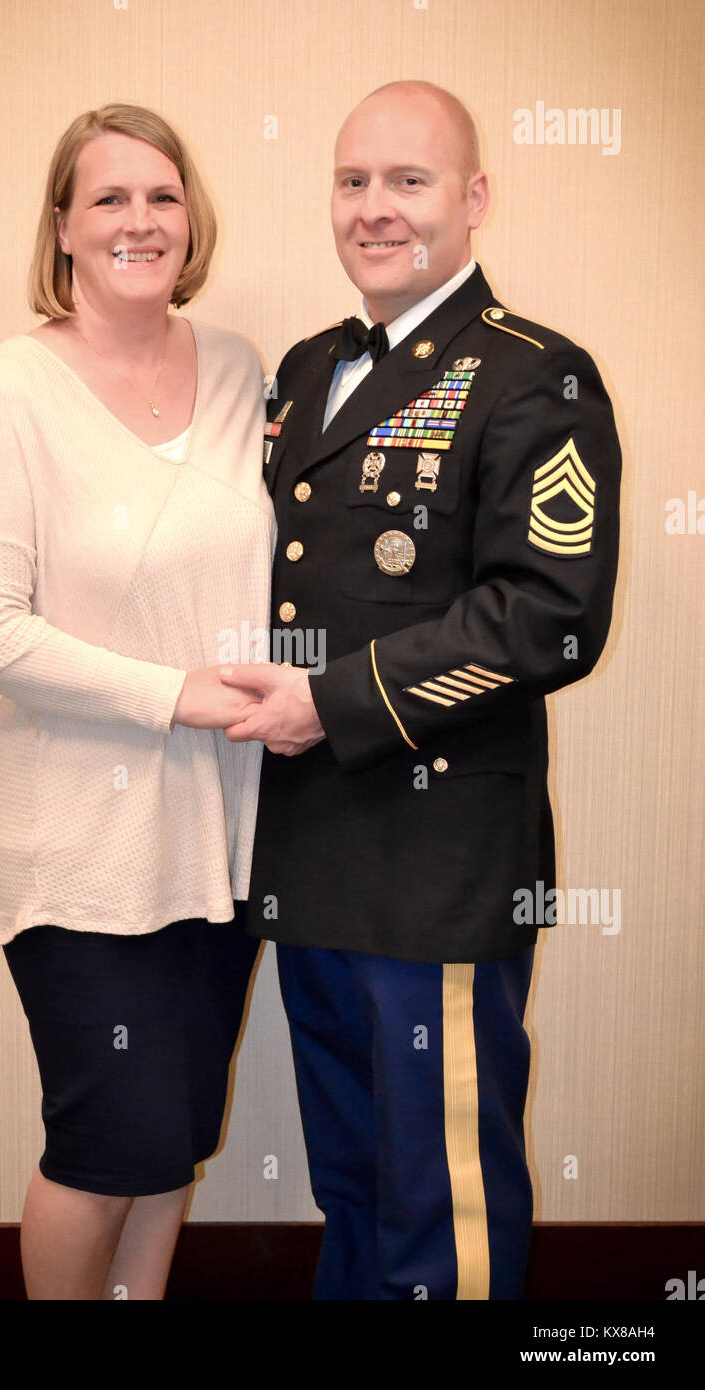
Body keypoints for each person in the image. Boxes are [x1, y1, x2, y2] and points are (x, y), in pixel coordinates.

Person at [221, 80, 622, 1299]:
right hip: (310, 846)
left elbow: (548, 616)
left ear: (473, 197)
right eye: (352, 181)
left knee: (438, 1202)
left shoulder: (533, 375)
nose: (374, 208)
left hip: (437, 861)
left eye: (408, 180)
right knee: (351, 1183)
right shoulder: (307, 368)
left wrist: (330, 704)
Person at [0, 103, 274, 1300]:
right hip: (80, 844)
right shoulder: (8, 390)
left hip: (221, 836)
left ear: (192, 218)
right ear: (64, 226)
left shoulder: (238, 370)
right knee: (104, 1142)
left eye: (162, 195)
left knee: (171, 1139)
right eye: (110, 197)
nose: (140, 219)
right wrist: (170, 693)